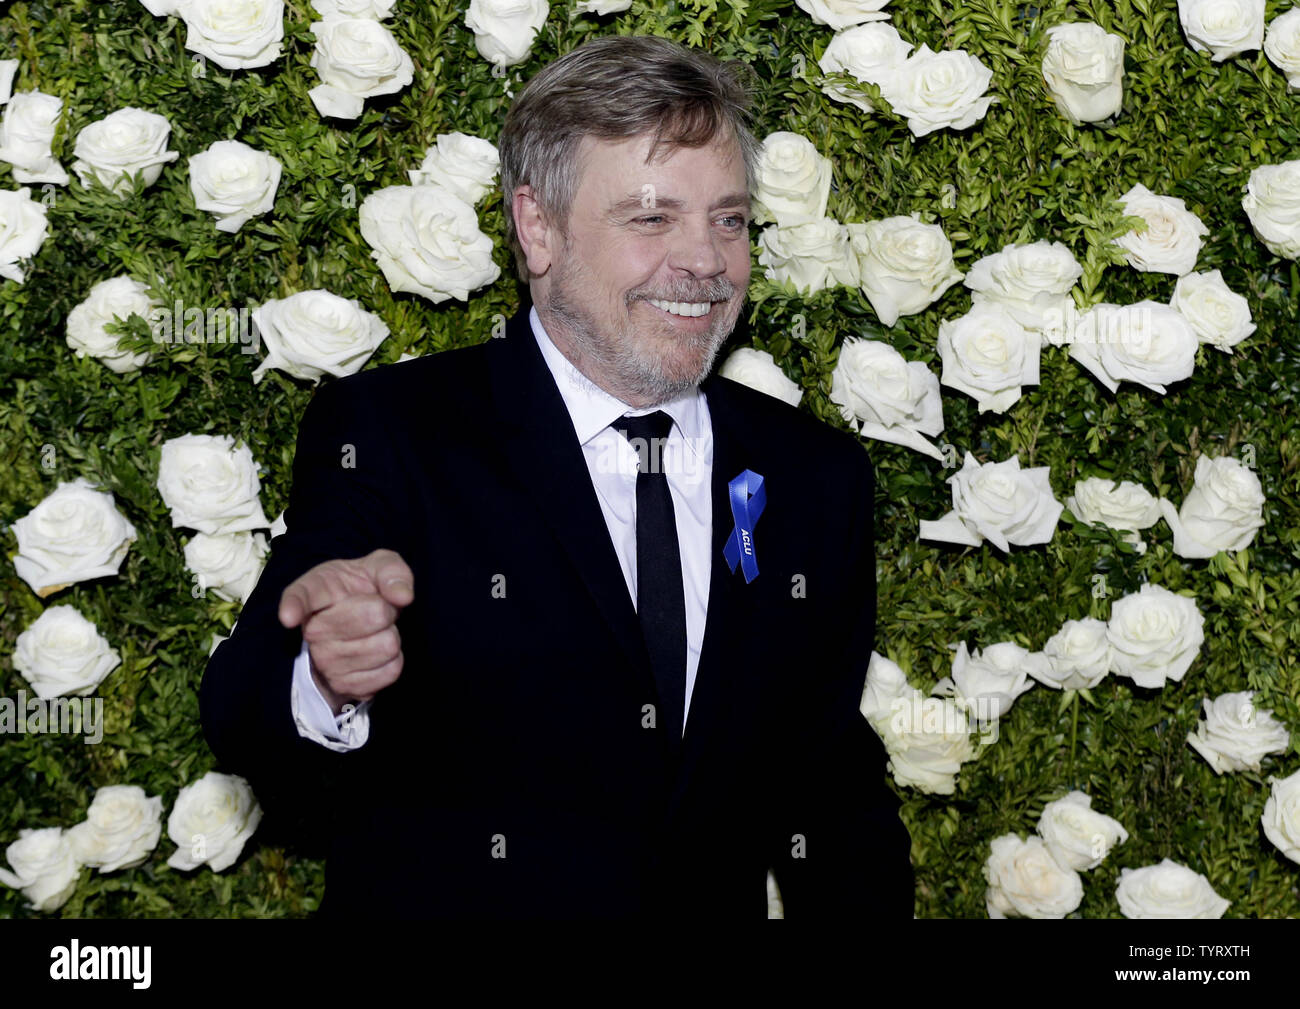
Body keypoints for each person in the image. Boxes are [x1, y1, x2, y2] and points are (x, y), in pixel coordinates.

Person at [199, 33, 913, 919]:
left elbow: (828, 782)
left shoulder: (814, 476)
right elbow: (242, 706)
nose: (707, 261)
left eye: (728, 219)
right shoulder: (394, 434)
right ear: (537, 227)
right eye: (653, 218)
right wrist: (321, 672)